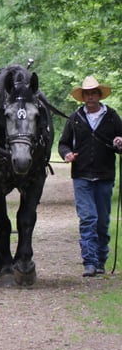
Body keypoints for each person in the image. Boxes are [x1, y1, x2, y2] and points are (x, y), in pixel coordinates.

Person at [57, 75, 122, 277]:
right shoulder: (75, 118)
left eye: (94, 93)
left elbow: (120, 141)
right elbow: (63, 143)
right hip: (82, 175)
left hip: (104, 175)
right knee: (87, 219)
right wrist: (67, 154)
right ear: (83, 97)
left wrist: (120, 141)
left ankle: (101, 259)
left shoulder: (112, 116)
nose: (90, 97)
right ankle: (89, 262)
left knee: (102, 221)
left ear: (99, 95)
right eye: (87, 94)